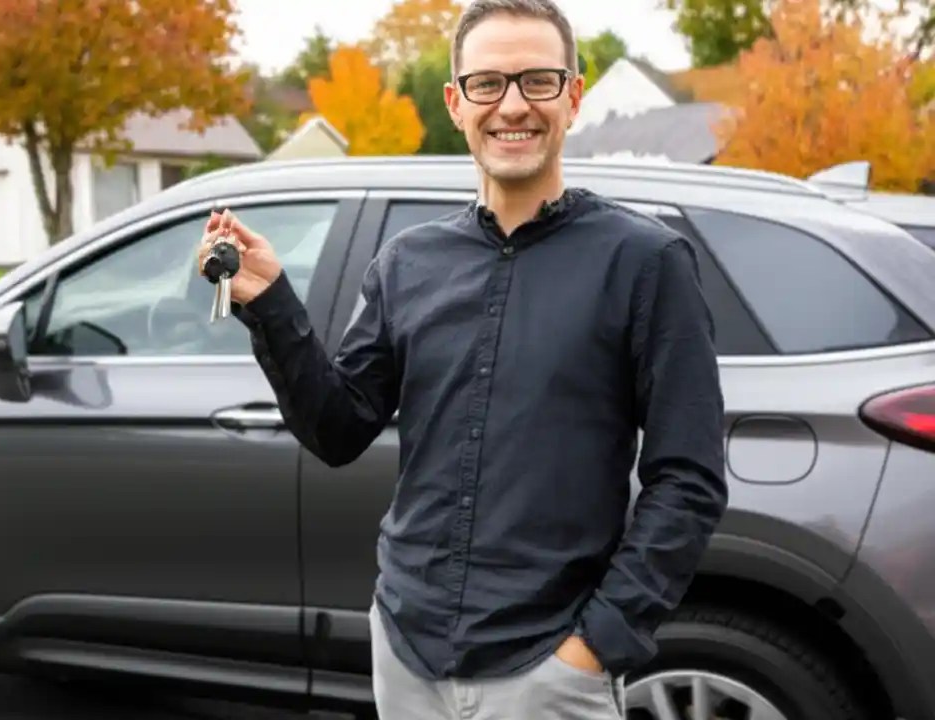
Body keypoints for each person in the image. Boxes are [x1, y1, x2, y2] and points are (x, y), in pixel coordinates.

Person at [197, 1, 727, 717]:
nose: (512, 105)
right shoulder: (407, 263)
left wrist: (596, 644)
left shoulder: (644, 262)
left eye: (537, 81)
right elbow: (339, 429)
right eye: (487, 84)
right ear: (456, 102)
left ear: (573, 96)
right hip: (407, 652)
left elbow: (687, 481)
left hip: (550, 667)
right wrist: (271, 303)